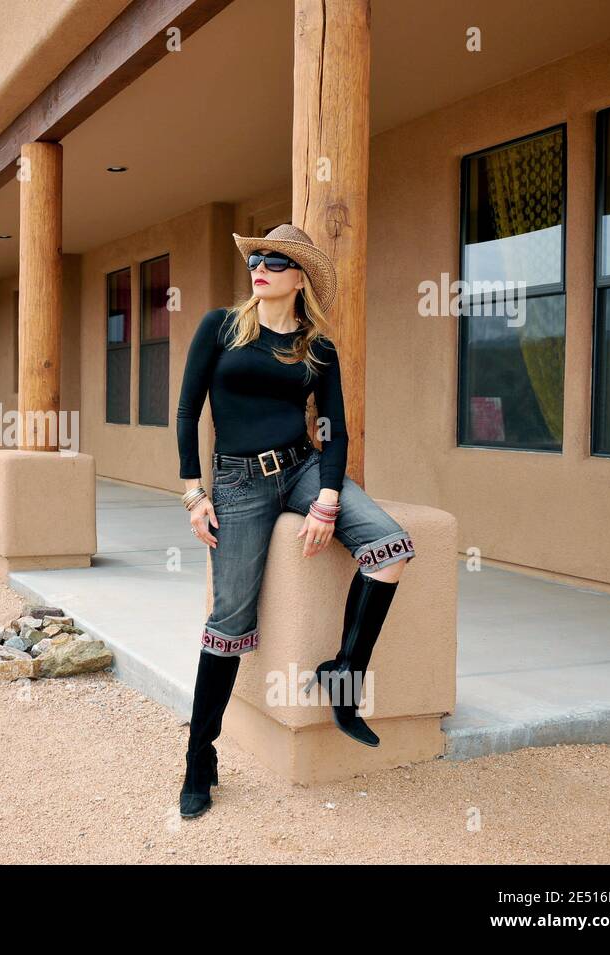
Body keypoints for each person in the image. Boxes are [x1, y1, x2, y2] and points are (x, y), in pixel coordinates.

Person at [175, 224, 416, 819]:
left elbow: (334, 428)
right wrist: (192, 492)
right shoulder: (220, 328)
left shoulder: (317, 348)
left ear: (299, 277)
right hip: (236, 480)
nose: (260, 267)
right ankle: (199, 759)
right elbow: (187, 410)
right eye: (256, 258)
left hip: (303, 468)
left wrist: (329, 496)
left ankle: (343, 676)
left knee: (390, 548)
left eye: (276, 261)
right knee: (230, 617)